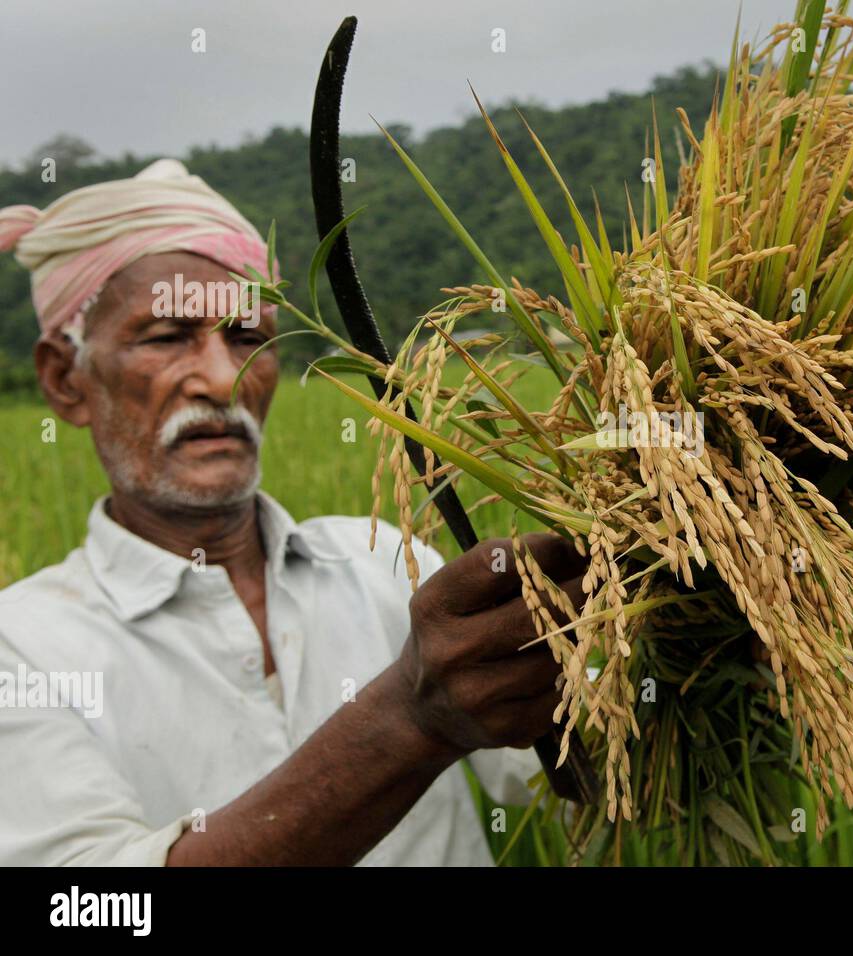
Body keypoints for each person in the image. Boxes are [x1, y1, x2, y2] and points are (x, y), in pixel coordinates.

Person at [0, 159, 581, 865]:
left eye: (248, 338)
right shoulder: (25, 648)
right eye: (165, 337)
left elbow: (572, 781)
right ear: (66, 380)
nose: (222, 379)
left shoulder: (383, 562)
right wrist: (409, 719)